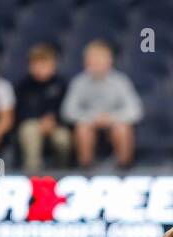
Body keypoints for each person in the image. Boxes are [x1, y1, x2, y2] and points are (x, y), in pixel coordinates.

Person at [61, 40, 142, 168]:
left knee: (121, 129)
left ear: (110, 61)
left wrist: (111, 118)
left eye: (101, 59)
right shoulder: (79, 82)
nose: (98, 64)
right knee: (82, 129)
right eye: (94, 60)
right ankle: (86, 170)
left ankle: (124, 168)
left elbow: (135, 110)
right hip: (89, 124)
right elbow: (68, 111)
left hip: (114, 123)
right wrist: (92, 118)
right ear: (86, 62)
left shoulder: (121, 81)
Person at [14, 44, 71, 172]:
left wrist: (54, 120)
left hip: (57, 125)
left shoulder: (62, 84)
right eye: (36, 64)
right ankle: (32, 173)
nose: (40, 68)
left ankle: (62, 172)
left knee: (63, 139)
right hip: (32, 124)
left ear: (53, 65)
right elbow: (19, 112)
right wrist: (39, 121)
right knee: (30, 131)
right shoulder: (23, 86)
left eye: (44, 64)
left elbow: (68, 109)